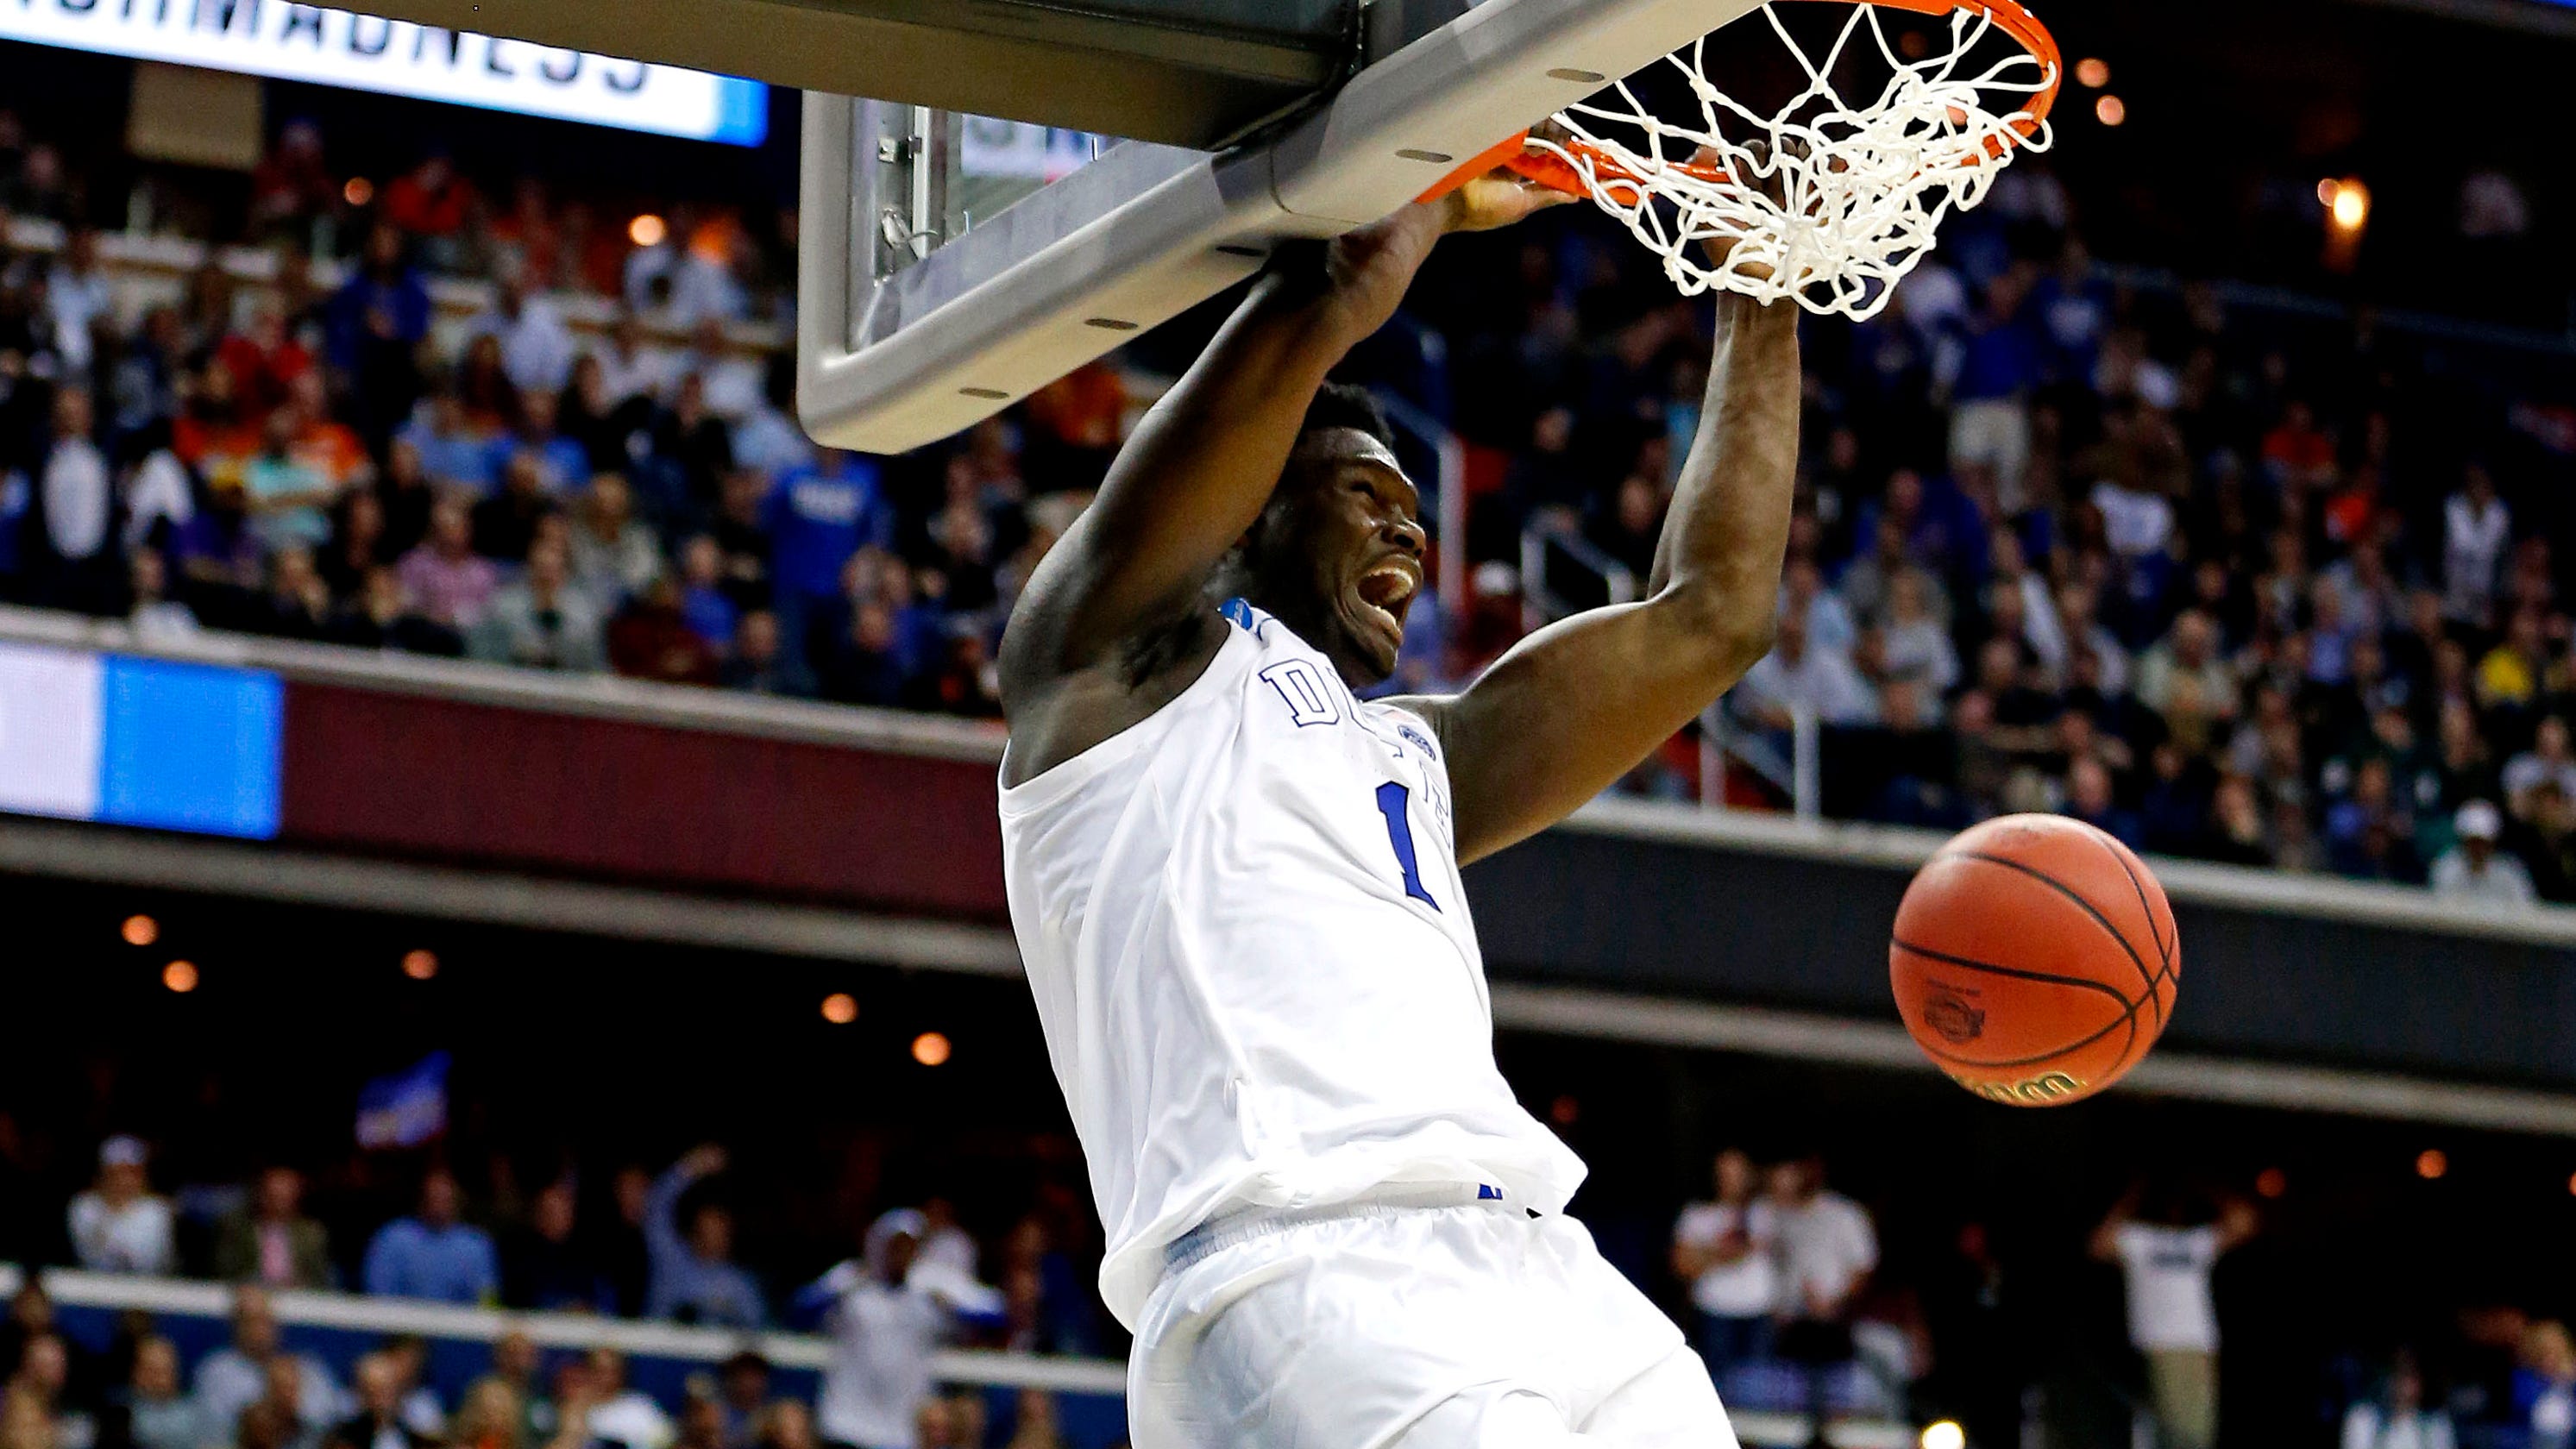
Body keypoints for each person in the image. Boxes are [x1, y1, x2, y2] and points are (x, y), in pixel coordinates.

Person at [992, 163, 1800, 1446]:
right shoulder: (1113, 675)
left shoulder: (1417, 760)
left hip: (1541, 1268)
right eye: (1362, 492)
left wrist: (1759, 283)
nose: (1407, 532)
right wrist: (1423, 186)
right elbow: (1322, 298)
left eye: (1414, 509)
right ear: (1247, 512)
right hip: (1297, 1270)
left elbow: (1713, 615)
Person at [797, 1211, 1004, 1449]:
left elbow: (997, 1314)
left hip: (903, 1424)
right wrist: (841, 1289)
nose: (901, 1254)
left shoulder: (930, 1283)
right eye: (895, 1246)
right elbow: (799, 1310)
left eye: (909, 1247)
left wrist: (950, 1305)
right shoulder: (852, 1278)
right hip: (846, 1418)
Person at [2089, 1183, 2258, 1449]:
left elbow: (2245, 1223)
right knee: (2175, 1428)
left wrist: (2209, 1187)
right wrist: (2129, 1199)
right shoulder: (2138, 1238)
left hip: (2200, 1343)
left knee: (2202, 1428)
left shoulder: (2194, 1240)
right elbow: (2098, 1245)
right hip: (2161, 1343)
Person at [1769, 1157, 1879, 1449]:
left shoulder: (1845, 1213)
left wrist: (1835, 1301)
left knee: (1835, 1400)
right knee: (1786, 1404)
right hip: (1791, 1321)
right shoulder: (1781, 1213)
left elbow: (1863, 1267)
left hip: (1833, 1318)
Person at [1669, 1150, 1776, 1383]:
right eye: (1725, 1174)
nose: (1731, 1181)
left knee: (1757, 1385)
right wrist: (1720, 1252)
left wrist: (1705, 1253)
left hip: (1757, 1309)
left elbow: (1741, 1250)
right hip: (1713, 1308)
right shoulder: (1696, 1214)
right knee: (1715, 1383)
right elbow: (1681, 1265)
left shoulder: (1763, 1210)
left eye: (1738, 1173)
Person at [192, 1289, 342, 1439]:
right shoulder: (217, 1370)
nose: (259, 1330)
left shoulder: (309, 1368)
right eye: (250, 1321)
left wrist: (293, 1412)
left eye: (265, 1320)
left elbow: (331, 1418)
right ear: (235, 1326)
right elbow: (217, 1426)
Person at [644, 1147, 764, 1327]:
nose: (718, 1236)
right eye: (709, 1228)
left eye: (723, 1230)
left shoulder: (741, 1284)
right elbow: (656, 1208)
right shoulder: (670, 1261)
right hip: (660, 1352)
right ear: (694, 1232)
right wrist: (689, 1168)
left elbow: (761, 1331)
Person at [361, 1170, 500, 1305]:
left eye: (445, 1199)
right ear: (422, 1199)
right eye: (434, 1198)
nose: (439, 1205)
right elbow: (378, 1295)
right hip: (398, 1324)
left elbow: (487, 1300)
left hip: (458, 1326)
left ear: (458, 1201)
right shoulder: (393, 1238)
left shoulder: (476, 1245)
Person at [67, 1138, 174, 1276]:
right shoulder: (83, 1206)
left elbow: (150, 1262)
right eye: (116, 1173)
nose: (124, 1180)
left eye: (132, 1173)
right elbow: (90, 1256)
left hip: (147, 1290)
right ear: (102, 1174)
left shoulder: (157, 1211)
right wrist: (113, 1209)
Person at [215, 1167, 333, 1289]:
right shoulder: (235, 1226)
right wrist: (246, 1287)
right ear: (261, 1193)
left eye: (283, 1198)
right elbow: (224, 1270)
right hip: (250, 1296)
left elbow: (319, 1279)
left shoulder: (312, 1233)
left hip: (297, 1299)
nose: (277, 1202)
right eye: (272, 1196)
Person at [2430, 800, 2535, 905]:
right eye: (2473, 842)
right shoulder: (2446, 868)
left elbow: (2526, 908)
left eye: (2483, 842)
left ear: (2493, 842)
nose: (2478, 849)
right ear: (2463, 840)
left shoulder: (2510, 872)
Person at [2340, 1352, 2453, 1449]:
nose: (2400, 1383)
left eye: (2409, 1374)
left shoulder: (2437, 1426)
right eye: (2396, 1372)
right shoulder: (2361, 1419)